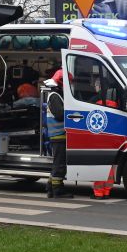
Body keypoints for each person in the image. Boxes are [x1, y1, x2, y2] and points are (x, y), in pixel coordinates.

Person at [43, 70, 73, 198]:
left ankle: (50, 188)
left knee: (57, 163)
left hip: (59, 134)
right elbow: (60, 115)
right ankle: (58, 190)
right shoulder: (54, 96)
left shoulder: (56, 94)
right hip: (58, 134)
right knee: (60, 164)